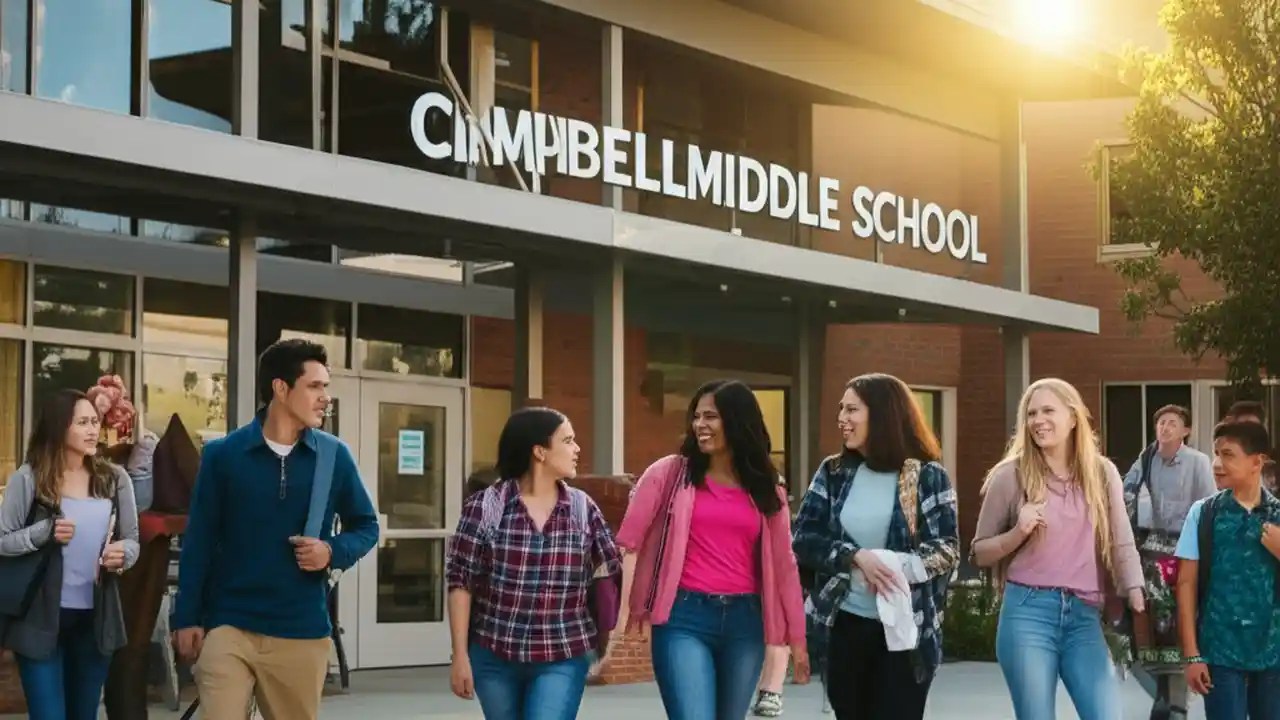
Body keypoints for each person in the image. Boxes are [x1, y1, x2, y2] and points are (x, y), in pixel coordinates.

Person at [171, 339, 380, 720]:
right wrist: (186, 617)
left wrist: (331, 551)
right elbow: (198, 540)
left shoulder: (334, 456)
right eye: (315, 386)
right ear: (280, 389)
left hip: (300, 629)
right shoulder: (224, 456)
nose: (325, 397)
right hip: (230, 625)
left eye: (326, 387)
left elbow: (366, 526)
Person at [616, 379, 810, 720]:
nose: (699, 425)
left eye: (711, 417)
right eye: (697, 416)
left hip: (745, 622)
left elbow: (784, 566)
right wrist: (630, 612)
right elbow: (629, 542)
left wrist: (795, 635)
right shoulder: (669, 474)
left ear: (736, 421)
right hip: (683, 618)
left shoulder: (767, 490)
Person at [972, 377, 1144, 720]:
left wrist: (1136, 594)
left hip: (1083, 616)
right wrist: (1018, 532)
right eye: (1031, 413)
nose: (1038, 420)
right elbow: (980, 552)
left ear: (1074, 416)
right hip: (1027, 614)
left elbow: (1121, 540)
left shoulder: (1102, 472)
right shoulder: (1011, 475)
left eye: (1048, 410)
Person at [792, 373, 960, 720]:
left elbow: (946, 549)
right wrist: (855, 558)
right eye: (841, 409)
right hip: (844, 627)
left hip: (904, 631)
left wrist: (889, 563)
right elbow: (804, 538)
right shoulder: (833, 472)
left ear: (882, 414)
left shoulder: (927, 476)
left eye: (852, 409)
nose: (842, 418)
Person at [446, 407, 621, 720]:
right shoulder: (485, 507)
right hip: (494, 655)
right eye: (568, 441)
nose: (577, 449)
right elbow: (461, 582)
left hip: (564, 654)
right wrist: (460, 656)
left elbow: (612, 568)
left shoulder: (583, 509)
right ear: (539, 452)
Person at [0, 389, 140, 720]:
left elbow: (132, 540)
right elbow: (2, 539)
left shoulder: (113, 479)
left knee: (84, 715)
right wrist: (43, 533)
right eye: (82, 422)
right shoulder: (29, 478)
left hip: (95, 621)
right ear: (59, 427)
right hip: (39, 619)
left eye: (95, 421)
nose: (93, 430)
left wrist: (124, 554)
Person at [1175, 421, 1280, 720]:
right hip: (1219, 653)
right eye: (1216, 454)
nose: (1217, 464)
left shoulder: (1277, 515)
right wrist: (1192, 654)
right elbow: (1186, 584)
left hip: (1273, 653)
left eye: (1228, 455)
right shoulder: (1204, 513)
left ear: (1257, 462)